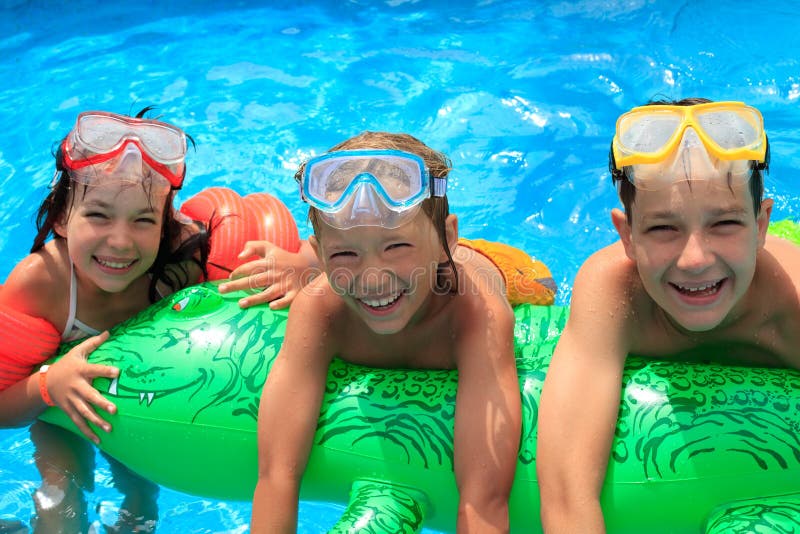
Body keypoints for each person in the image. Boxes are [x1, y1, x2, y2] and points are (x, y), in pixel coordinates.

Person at [251, 132, 557, 533]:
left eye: (396, 247)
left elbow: (484, 499)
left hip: (495, 270)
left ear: (446, 237)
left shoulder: (474, 315)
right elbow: (277, 475)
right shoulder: (321, 309)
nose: (373, 278)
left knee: (543, 286)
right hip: (411, 257)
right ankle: (334, 253)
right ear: (324, 254)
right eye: (343, 254)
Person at [536, 98, 800, 532]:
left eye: (725, 224)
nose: (694, 259)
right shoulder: (614, 293)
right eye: (662, 229)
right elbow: (567, 493)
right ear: (626, 235)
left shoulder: (789, 305)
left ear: (761, 224)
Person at [0, 108, 210, 533]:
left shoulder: (184, 266)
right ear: (61, 219)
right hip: (60, 409)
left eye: (144, 220)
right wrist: (48, 384)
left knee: (142, 497)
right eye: (98, 215)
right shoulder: (43, 282)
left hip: (142, 407)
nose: (120, 241)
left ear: (164, 226)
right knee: (63, 493)